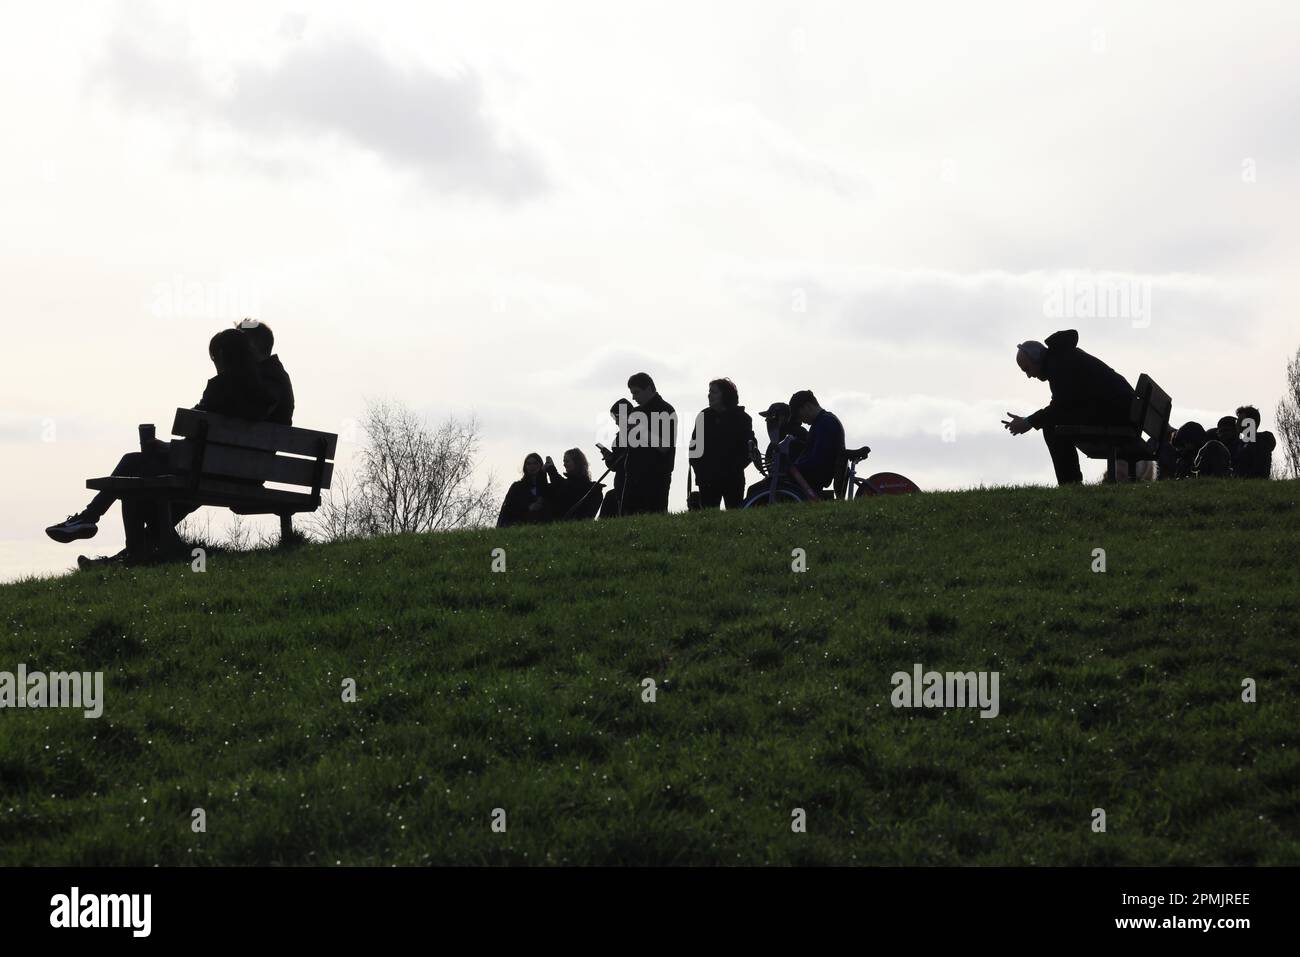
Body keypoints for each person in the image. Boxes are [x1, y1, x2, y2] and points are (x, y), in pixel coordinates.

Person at [46, 329, 277, 564]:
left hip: (207, 473)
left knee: (132, 466)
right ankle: (123, 549)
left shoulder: (220, 389)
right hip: (244, 476)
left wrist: (162, 448)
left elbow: (194, 437)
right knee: (135, 477)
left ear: (220, 356)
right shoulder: (265, 394)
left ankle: (92, 521)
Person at [1001, 330, 1134, 485]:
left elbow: (1061, 407)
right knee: (1053, 423)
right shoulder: (1061, 359)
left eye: (1027, 369)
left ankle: (1070, 485)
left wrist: (1029, 422)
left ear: (1037, 358)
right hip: (1121, 412)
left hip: (1116, 415)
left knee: (1052, 428)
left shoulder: (1059, 364)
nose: (1029, 376)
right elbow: (1063, 405)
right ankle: (1070, 484)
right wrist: (1030, 421)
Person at [688, 378, 756, 509]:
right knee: (709, 520)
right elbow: (694, 447)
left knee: (735, 517)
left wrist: (735, 468)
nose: (709, 395)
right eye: (709, 392)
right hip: (707, 480)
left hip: (733, 479)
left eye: (713, 392)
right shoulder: (703, 416)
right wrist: (700, 472)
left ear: (725, 394)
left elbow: (749, 447)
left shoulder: (742, 418)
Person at [622, 372, 677, 514]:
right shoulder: (635, 412)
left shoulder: (666, 410)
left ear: (649, 388)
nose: (633, 397)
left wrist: (639, 431)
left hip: (655, 478)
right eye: (632, 393)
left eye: (636, 392)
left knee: (655, 521)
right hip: (633, 477)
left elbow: (665, 446)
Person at [788, 390, 845, 495]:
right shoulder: (824, 421)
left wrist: (793, 466)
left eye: (798, 414)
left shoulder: (824, 423)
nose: (800, 420)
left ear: (807, 406)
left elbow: (818, 458)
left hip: (815, 475)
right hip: (816, 474)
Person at [239, 318, 294, 425]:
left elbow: (256, 412)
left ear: (253, 344)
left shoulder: (270, 376)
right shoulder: (273, 373)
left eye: (238, 341)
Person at [545, 448, 603, 520]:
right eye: (564, 461)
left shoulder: (593, 489)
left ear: (577, 463)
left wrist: (551, 469)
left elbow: (567, 489)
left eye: (567, 461)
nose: (564, 465)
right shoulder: (565, 484)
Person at [497, 453, 551, 527]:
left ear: (540, 465)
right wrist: (529, 507)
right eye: (528, 464)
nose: (532, 466)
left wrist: (551, 470)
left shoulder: (547, 488)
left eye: (535, 463)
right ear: (525, 467)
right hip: (520, 526)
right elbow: (508, 509)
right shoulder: (516, 487)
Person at [1233, 405, 1276, 479]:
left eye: (1240, 421)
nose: (1237, 425)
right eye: (1237, 421)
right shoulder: (1240, 443)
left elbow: (1258, 473)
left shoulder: (1261, 443)